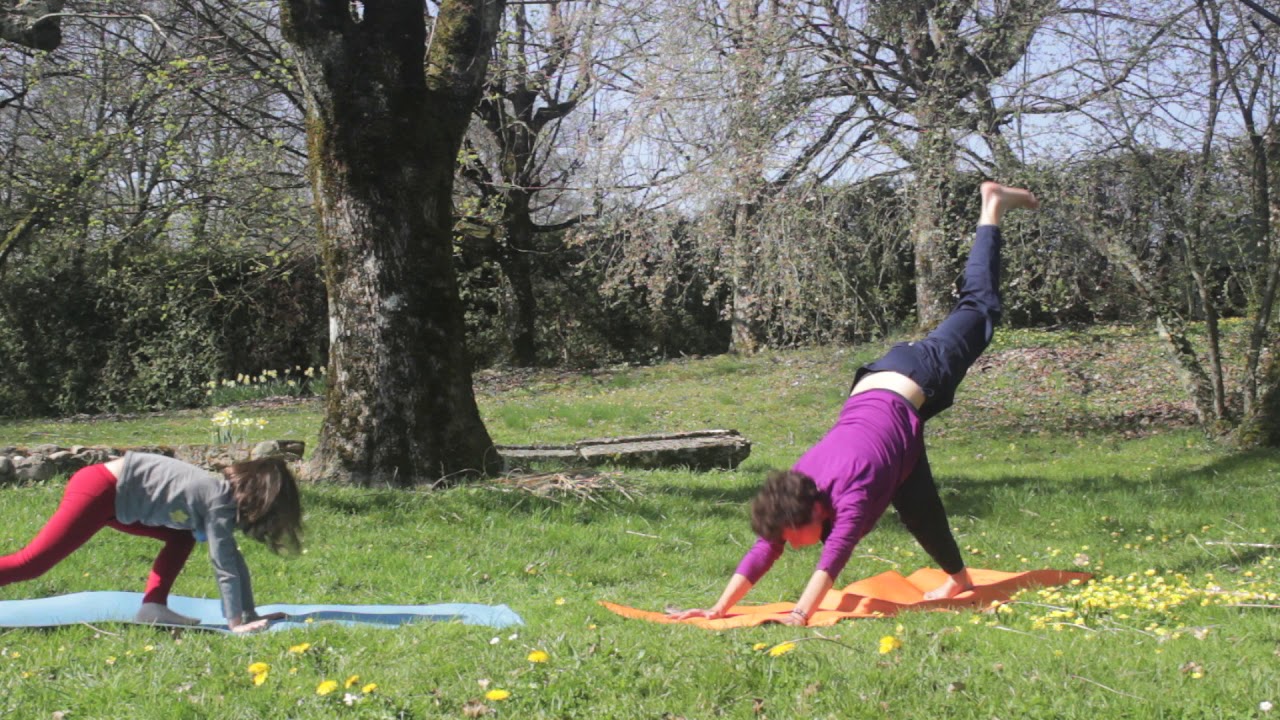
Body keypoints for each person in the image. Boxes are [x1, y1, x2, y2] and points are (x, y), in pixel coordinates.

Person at [668, 181, 1039, 626]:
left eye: (794, 537)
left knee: (979, 307)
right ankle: (959, 578)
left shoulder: (853, 496)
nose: (794, 546)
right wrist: (718, 607)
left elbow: (833, 558)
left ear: (814, 512)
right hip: (886, 405)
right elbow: (766, 545)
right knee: (918, 506)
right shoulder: (799, 489)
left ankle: (992, 208)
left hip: (918, 374)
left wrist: (801, 613)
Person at [0, 451, 303, 632]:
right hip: (100, 490)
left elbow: (234, 560)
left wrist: (250, 615)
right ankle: (153, 605)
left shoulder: (216, 496)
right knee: (31, 564)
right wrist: (235, 623)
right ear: (259, 499)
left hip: (118, 501)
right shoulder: (218, 501)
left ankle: (152, 607)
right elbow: (223, 564)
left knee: (180, 537)